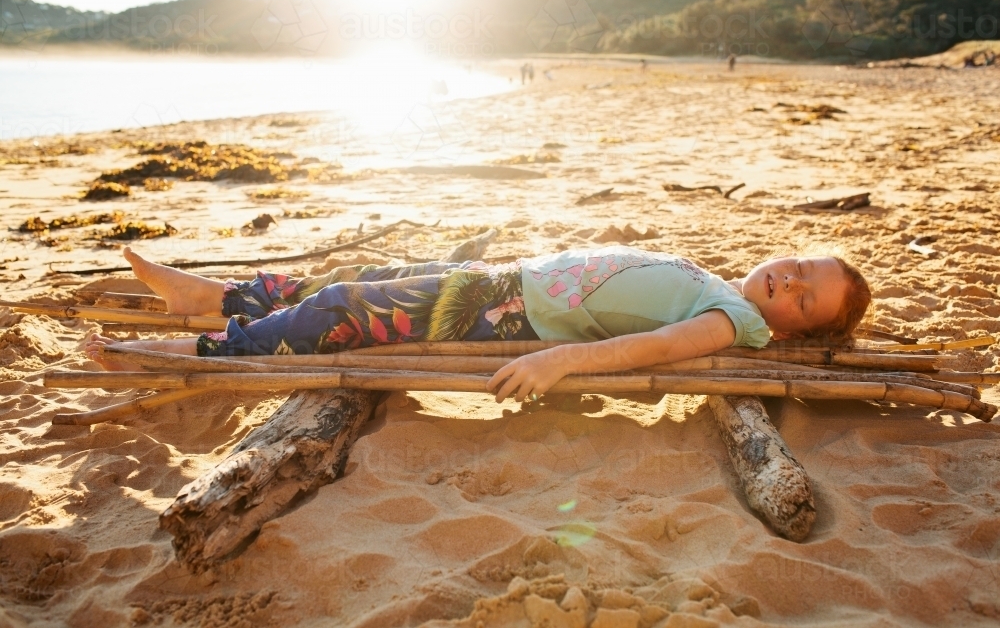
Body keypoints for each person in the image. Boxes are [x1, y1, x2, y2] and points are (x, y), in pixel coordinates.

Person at [86, 245, 871, 403]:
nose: (790, 281)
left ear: (796, 334)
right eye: (800, 267)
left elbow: (662, 347)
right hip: (505, 280)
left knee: (350, 311)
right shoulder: (724, 282)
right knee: (359, 281)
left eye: (805, 299)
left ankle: (190, 346)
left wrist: (561, 361)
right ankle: (214, 294)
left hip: (507, 311)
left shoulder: (736, 320)